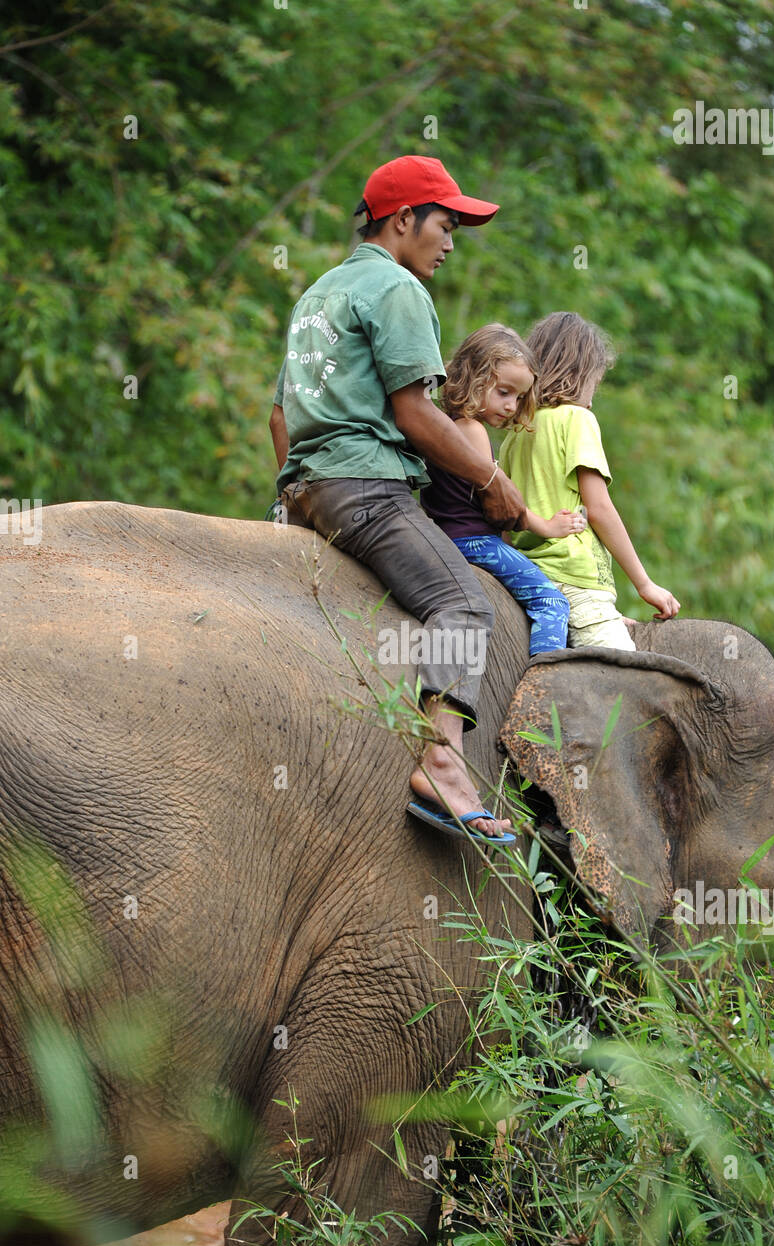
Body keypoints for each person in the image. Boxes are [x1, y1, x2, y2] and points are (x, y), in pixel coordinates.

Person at [268, 155, 525, 847]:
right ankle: (441, 760)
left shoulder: (318, 294)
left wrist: (299, 493)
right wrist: (489, 479)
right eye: (443, 225)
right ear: (403, 219)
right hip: (368, 490)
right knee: (464, 602)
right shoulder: (398, 290)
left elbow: (279, 419)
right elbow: (413, 413)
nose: (448, 243)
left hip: (308, 488)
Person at [499, 311, 680, 650]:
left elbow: (505, 520)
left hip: (532, 577)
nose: (593, 398)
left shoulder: (516, 433)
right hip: (574, 579)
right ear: (577, 373)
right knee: (625, 678)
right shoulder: (578, 419)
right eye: (593, 384)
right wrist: (644, 584)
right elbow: (598, 508)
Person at [420, 323, 584, 658]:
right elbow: (501, 505)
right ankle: (544, 675)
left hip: (446, 537)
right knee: (551, 600)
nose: (512, 406)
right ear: (474, 379)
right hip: (476, 543)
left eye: (520, 397)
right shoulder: (472, 430)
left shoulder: (439, 428)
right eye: (504, 392)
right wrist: (549, 527)